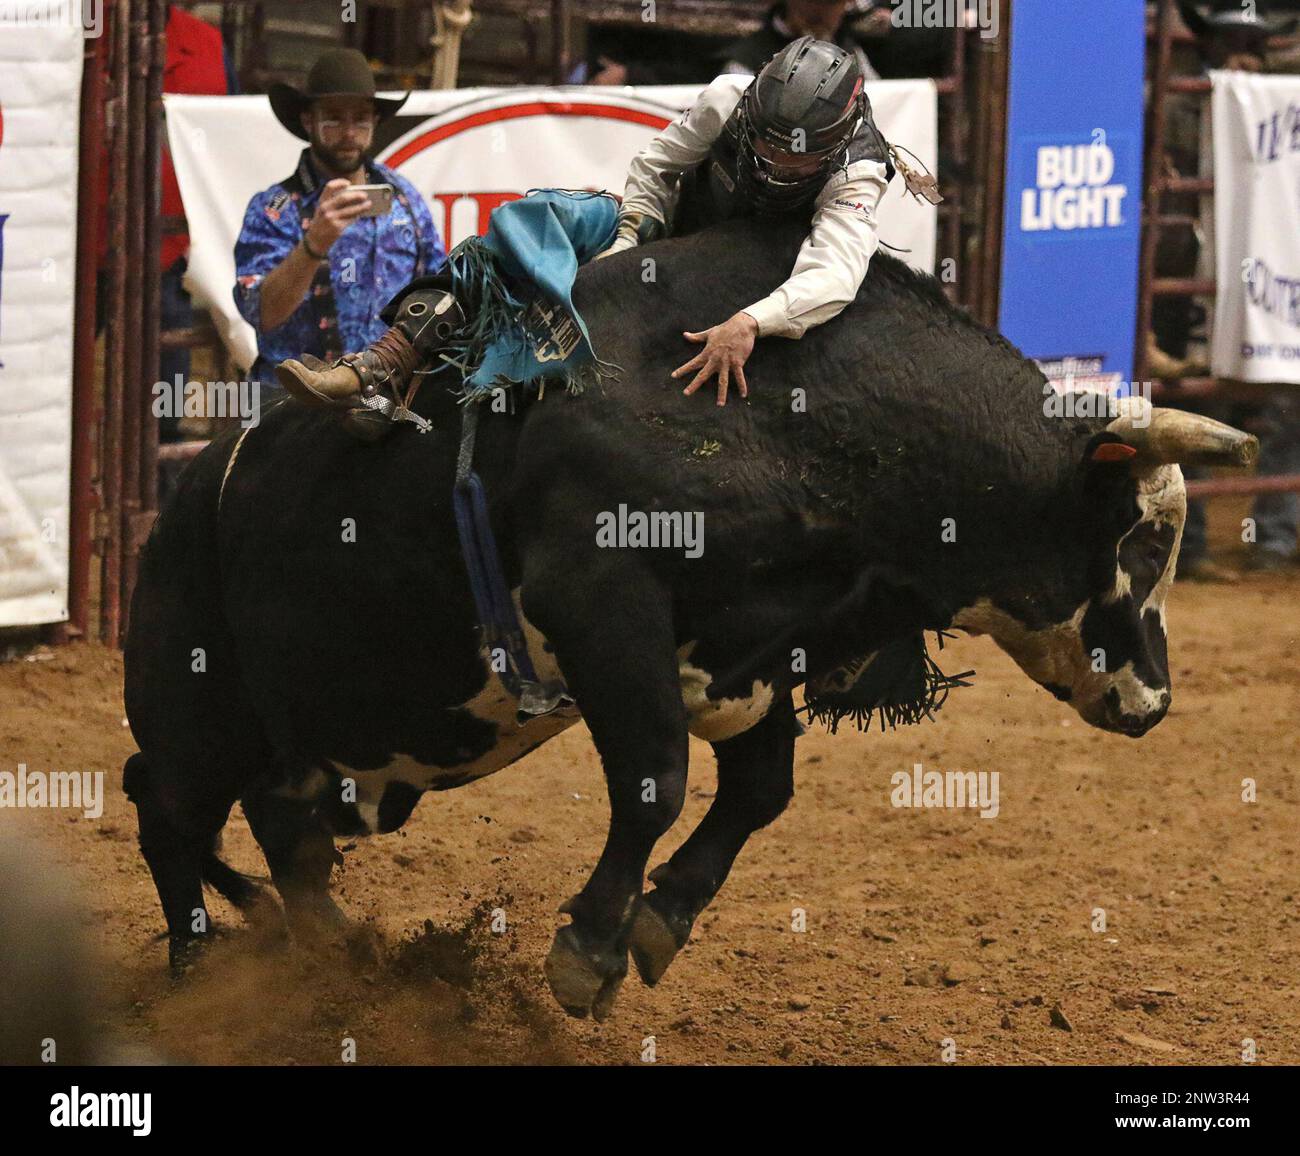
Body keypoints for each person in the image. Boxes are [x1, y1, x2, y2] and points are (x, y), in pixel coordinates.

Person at [277, 38, 896, 416]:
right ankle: (388, 362)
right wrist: (629, 238)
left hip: (765, 268)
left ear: (834, 141)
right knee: (532, 220)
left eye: (795, 153)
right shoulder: (729, 97)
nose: (774, 157)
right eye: (765, 139)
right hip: (677, 232)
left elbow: (835, 269)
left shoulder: (861, 169)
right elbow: (657, 164)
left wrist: (753, 320)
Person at [233, 48, 445, 392]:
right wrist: (313, 245)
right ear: (308, 121)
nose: (349, 133)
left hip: (387, 397)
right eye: (333, 117)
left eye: (360, 118)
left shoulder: (404, 198)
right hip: (292, 407)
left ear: (374, 122)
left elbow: (438, 287)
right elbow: (263, 314)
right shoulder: (274, 209)